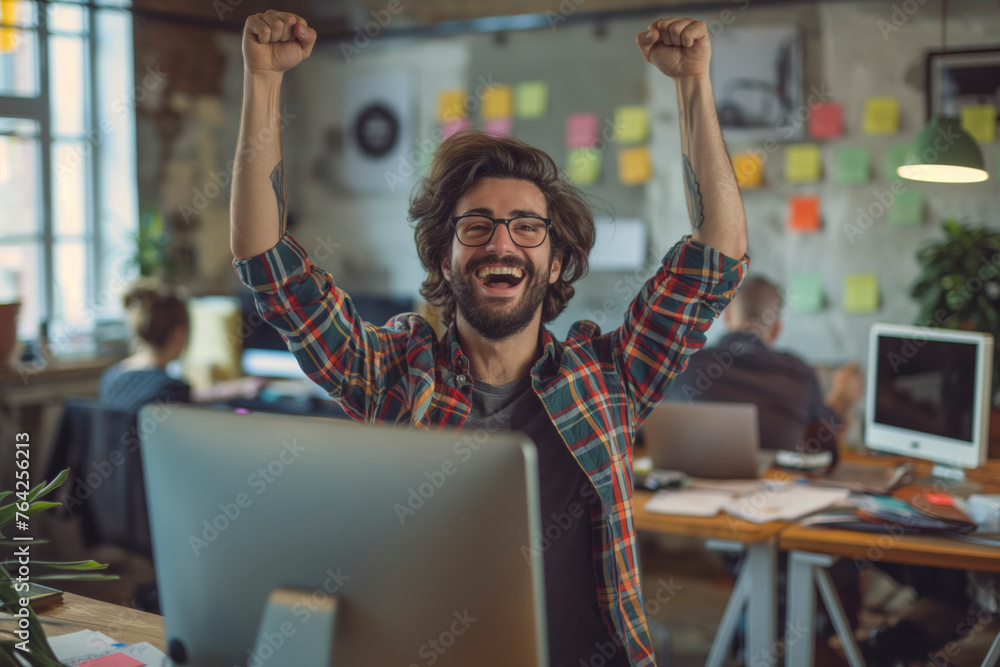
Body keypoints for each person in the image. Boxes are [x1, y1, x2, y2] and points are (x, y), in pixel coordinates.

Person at [230, 10, 748, 666]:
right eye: (476, 225)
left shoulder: (610, 376)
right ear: (443, 257)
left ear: (555, 263)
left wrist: (693, 84)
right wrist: (263, 80)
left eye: (527, 227)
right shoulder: (392, 376)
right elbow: (268, 264)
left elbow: (717, 258)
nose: (502, 243)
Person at [664, 275, 864, 452]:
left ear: (728, 316)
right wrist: (843, 397)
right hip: (773, 481)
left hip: (685, 480)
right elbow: (825, 437)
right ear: (777, 329)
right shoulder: (799, 374)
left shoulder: (683, 365)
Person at [100, 280, 265, 411]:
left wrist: (242, 386)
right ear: (178, 334)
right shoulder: (168, 387)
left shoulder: (111, 377)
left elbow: (194, 396)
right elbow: (187, 397)